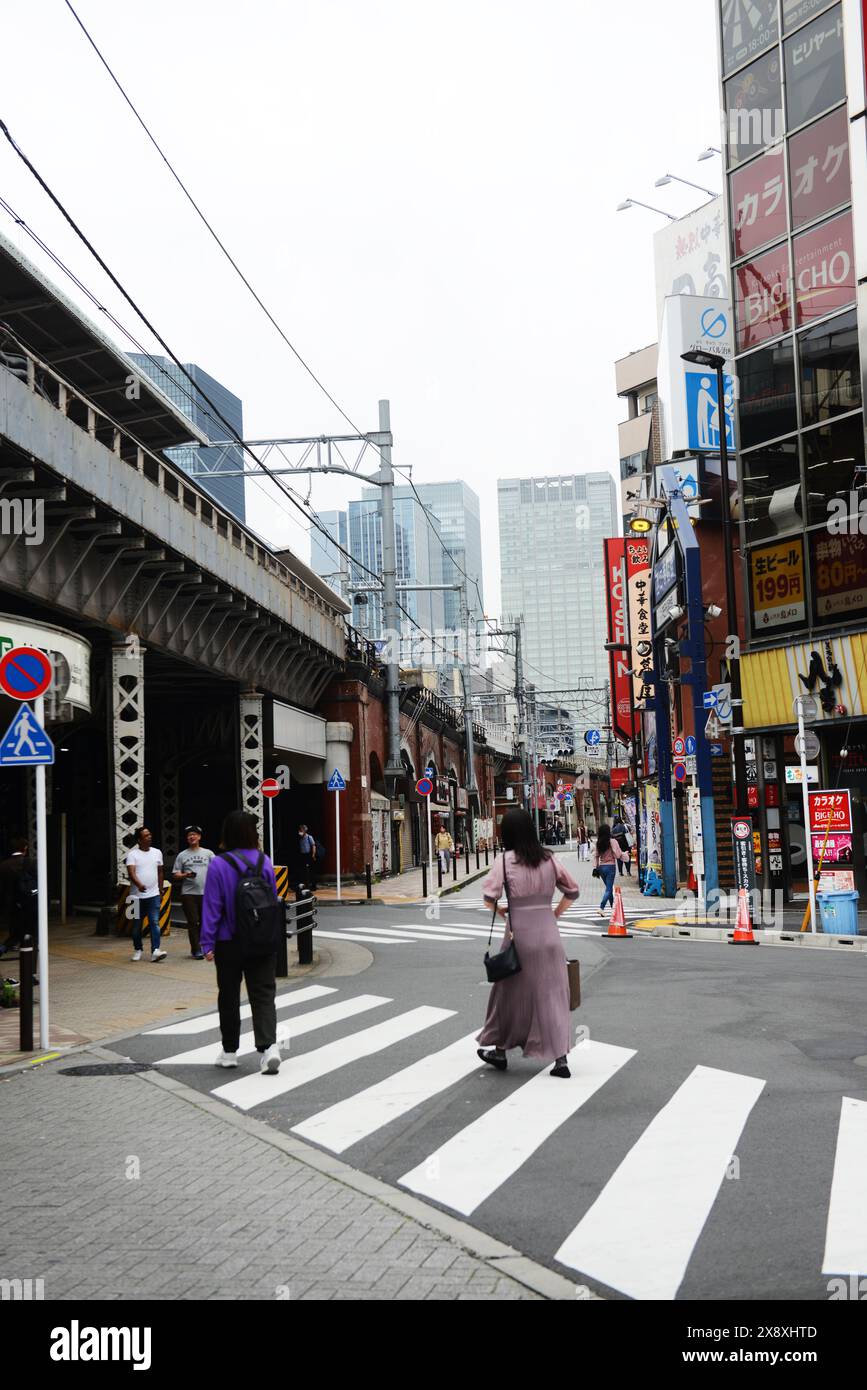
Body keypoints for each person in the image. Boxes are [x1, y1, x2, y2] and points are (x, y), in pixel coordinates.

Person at [476, 807, 580, 1080]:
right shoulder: (548, 858)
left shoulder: (505, 860)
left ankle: (499, 1051)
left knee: (508, 996)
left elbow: (489, 895)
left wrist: (501, 911)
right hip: (548, 935)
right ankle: (560, 1060)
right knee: (553, 996)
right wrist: (553, 914)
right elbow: (573, 890)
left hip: (519, 937)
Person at [201, 809, 281, 1074]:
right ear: (252, 834)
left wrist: (207, 943)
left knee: (229, 996)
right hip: (261, 939)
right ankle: (269, 1047)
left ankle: (230, 1052)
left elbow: (212, 906)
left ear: (227, 834)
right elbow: (272, 902)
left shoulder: (219, 864)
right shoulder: (264, 861)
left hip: (228, 941)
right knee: (264, 994)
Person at [172, 825, 215, 959]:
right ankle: (196, 949)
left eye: (194, 834)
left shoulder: (208, 853)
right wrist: (186, 875)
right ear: (187, 838)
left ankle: (205, 947)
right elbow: (175, 874)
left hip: (206, 893)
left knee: (204, 922)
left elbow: (217, 869)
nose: (192, 837)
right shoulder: (182, 855)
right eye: (189, 835)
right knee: (193, 922)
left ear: (199, 837)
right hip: (188, 893)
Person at [125, 827, 166, 962]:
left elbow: (160, 872)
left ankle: (155, 950)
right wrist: (139, 885)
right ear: (139, 840)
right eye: (146, 835)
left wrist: (160, 889)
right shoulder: (132, 854)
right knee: (136, 927)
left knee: (154, 922)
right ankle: (138, 949)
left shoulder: (157, 852)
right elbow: (131, 873)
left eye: (150, 834)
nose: (149, 837)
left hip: (153, 895)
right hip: (135, 898)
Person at [0, 837, 37, 961]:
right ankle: (30, 971)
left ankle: (4, 948)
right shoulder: (31, 863)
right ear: (25, 848)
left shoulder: (3, 866)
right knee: (31, 936)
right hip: (29, 905)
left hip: (11, 906)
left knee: (15, 933)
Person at [593, 824, 625, 913]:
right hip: (611, 867)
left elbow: (596, 856)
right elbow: (618, 855)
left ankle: (613, 908)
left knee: (608, 888)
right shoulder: (612, 842)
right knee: (609, 889)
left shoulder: (598, 843)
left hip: (601, 868)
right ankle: (601, 907)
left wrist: (595, 867)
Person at [297, 824, 317, 890]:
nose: (300, 831)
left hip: (308, 855)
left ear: (305, 831)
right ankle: (304, 885)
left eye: (301, 830)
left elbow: (313, 845)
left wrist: (313, 854)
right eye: (299, 830)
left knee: (309, 871)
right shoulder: (300, 838)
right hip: (302, 855)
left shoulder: (309, 837)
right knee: (303, 870)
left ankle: (312, 886)